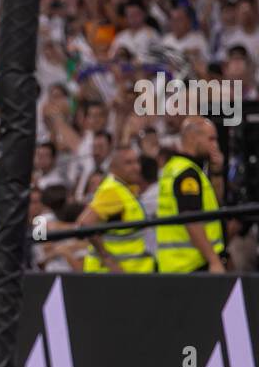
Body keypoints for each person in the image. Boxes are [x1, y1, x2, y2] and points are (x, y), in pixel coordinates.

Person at [156, 117, 226, 273]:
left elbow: (216, 202)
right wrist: (214, 260)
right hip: (191, 264)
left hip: (178, 264)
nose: (215, 145)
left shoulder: (176, 166)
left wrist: (217, 172)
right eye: (211, 139)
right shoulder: (187, 174)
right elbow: (191, 220)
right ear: (194, 138)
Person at [77, 147, 155, 273]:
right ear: (114, 167)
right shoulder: (112, 190)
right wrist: (108, 259)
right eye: (128, 163)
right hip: (112, 277)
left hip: (129, 275)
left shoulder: (124, 188)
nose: (136, 167)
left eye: (137, 162)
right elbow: (84, 224)